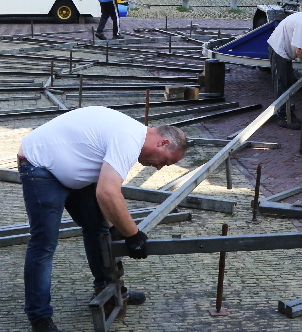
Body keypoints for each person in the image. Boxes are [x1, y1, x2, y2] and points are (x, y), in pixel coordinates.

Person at [18, 107, 188, 332]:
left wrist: (115, 226)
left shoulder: (131, 136)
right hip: (40, 164)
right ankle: (39, 317)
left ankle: (109, 292)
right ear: (163, 143)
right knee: (44, 243)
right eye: (164, 162)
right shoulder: (128, 139)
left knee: (99, 229)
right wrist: (133, 235)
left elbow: (104, 187)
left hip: (71, 168)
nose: (158, 168)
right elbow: (107, 192)